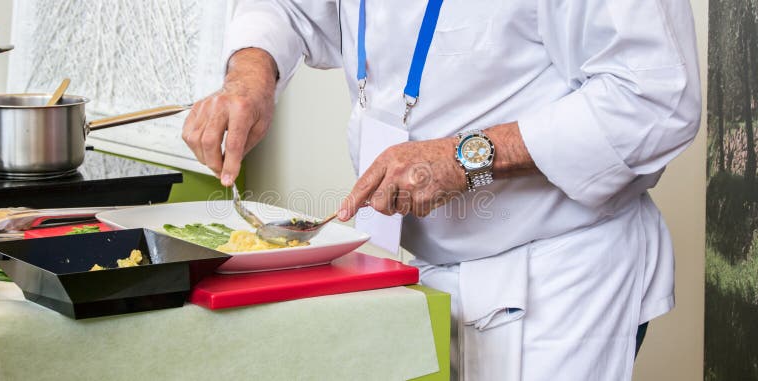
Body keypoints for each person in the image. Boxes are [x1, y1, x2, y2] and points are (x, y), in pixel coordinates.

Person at [182, 1, 701, 379]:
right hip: (418, 266)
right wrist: (250, 76)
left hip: (556, 278)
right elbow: (289, 8)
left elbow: (656, 97)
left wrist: (463, 158)